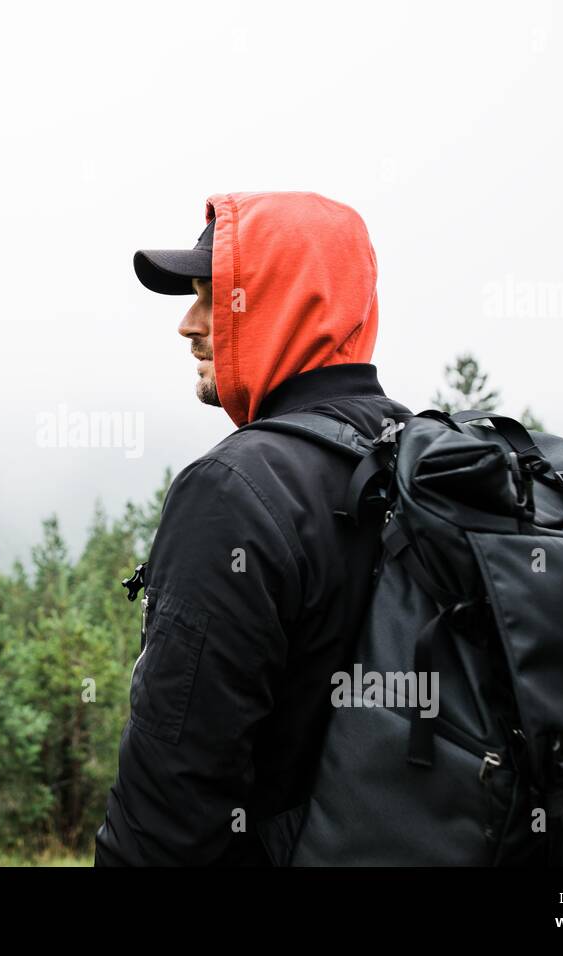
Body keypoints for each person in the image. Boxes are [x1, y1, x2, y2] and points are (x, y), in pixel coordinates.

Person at [94, 191, 412, 866]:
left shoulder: (236, 491)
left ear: (283, 301)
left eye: (215, 295)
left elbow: (168, 814)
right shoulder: (413, 459)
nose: (188, 324)